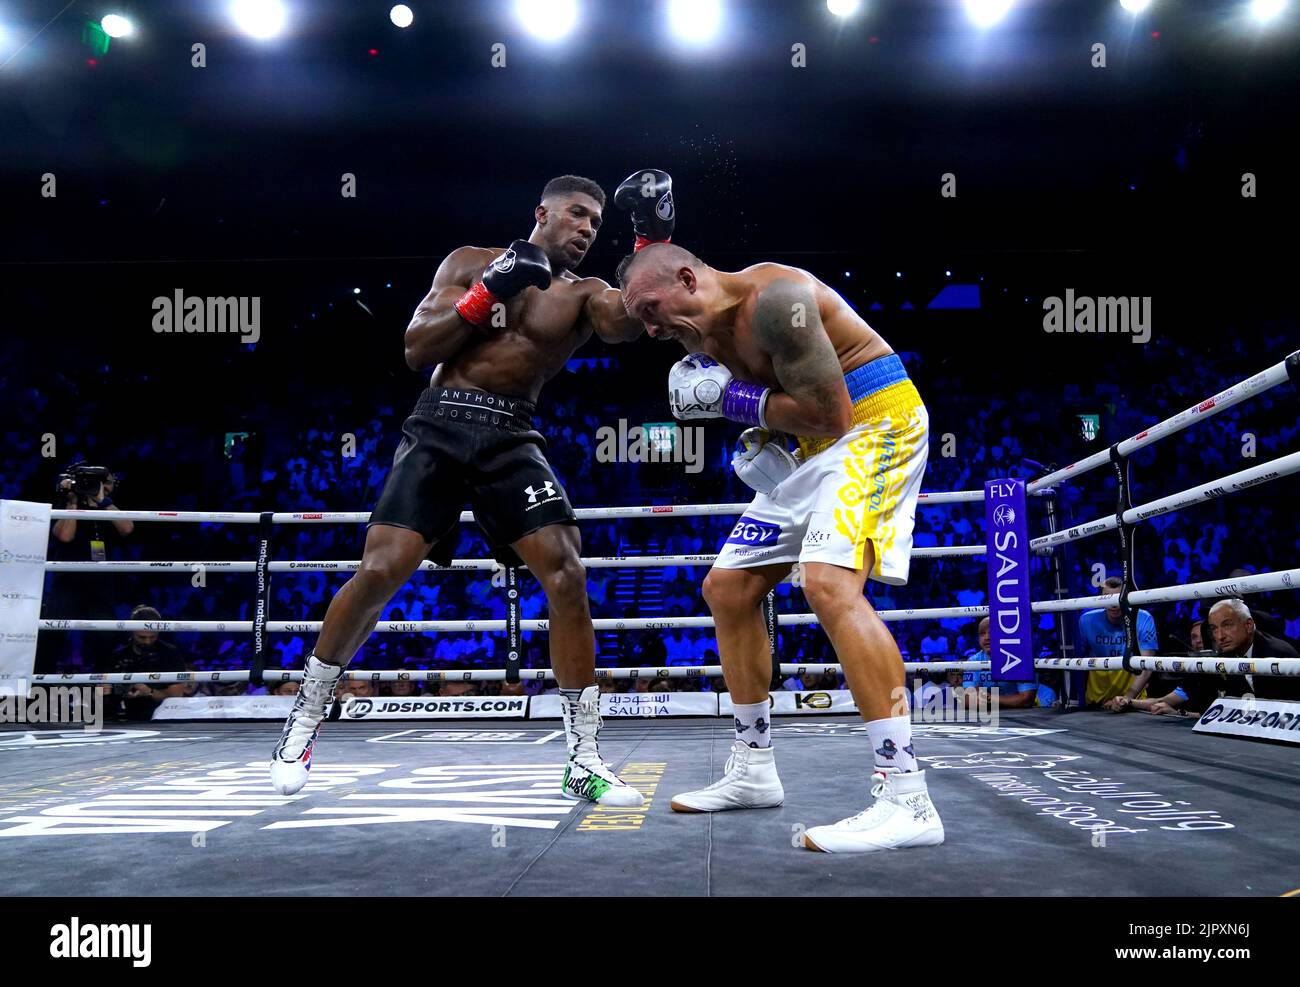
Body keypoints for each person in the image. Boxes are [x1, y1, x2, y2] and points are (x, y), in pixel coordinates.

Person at [270, 173, 660, 808]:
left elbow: (634, 320)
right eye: (578, 215)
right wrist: (492, 289)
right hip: (441, 423)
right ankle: (304, 722)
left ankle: (583, 759)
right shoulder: (471, 261)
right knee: (380, 569)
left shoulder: (586, 293)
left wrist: (650, 238)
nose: (589, 229)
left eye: (597, 221)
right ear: (543, 212)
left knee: (566, 573)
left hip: (512, 435)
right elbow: (416, 348)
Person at [618, 241, 942, 853]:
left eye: (652, 310)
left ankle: (908, 798)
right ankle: (755, 769)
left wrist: (734, 403)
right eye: (643, 319)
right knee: (728, 588)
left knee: (826, 583)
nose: (651, 329)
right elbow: (792, 412)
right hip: (813, 448)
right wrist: (761, 438)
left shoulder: (778, 300)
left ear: (689, 277)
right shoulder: (697, 332)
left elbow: (832, 416)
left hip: (876, 425)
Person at [1075, 577, 1159, 710]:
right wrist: (1072, 698)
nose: (1114, 604)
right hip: (1095, 702)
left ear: (1127, 598)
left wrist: (1126, 699)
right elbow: (1077, 661)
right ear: (1100, 599)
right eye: (1108, 598)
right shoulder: (1087, 620)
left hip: (1134, 702)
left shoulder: (1143, 618)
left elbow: (1146, 666)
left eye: (1118, 597)